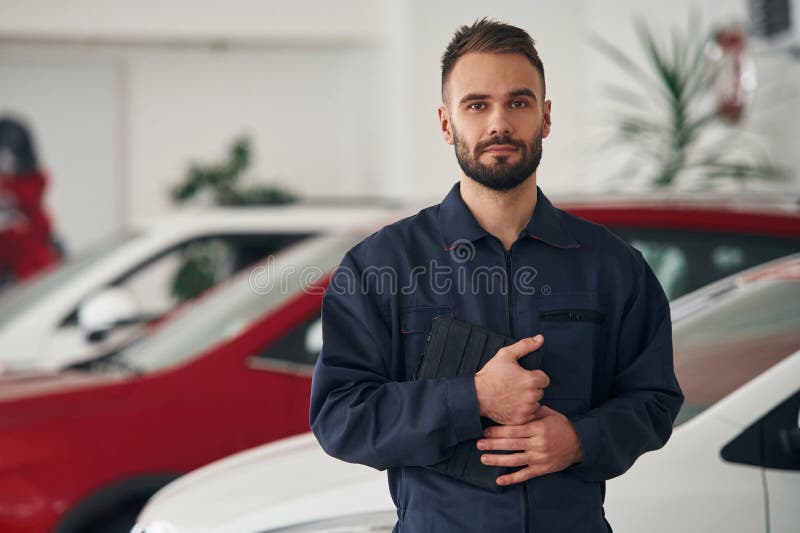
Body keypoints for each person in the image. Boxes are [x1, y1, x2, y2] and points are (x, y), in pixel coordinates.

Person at [310, 18, 683, 533]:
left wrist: (581, 440)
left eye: (519, 102)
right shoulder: (380, 267)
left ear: (546, 117)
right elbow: (340, 416)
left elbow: (654, 400)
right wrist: (472, 398)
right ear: (447, 124)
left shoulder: (613, 266)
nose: (499, 124)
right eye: (477, 104)